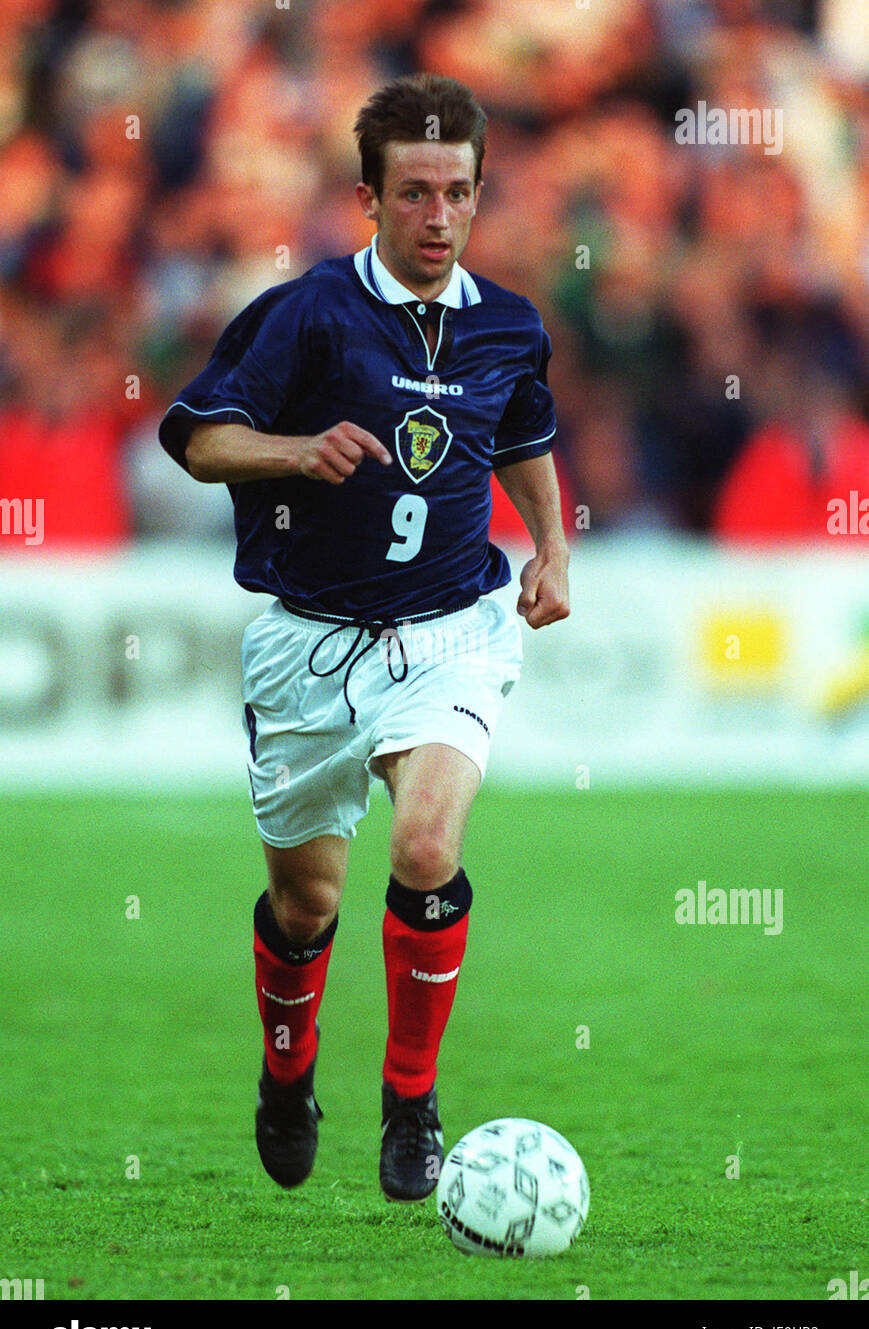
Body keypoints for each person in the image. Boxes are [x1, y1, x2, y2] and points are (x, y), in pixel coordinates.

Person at [158, 73, 570, 1202]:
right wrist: (294, 453)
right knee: (307, 907)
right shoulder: (307, 314)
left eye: (457, 194)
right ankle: (287, 1077)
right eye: (414, 193)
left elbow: (522, 432)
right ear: (368, 199)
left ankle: (410, 1095)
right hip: (307, 647)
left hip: (448, 630)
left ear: (478, 196)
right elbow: (196, 437)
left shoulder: (507, 324)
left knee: (427, 847)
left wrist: (551, 547)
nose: (437, 216)